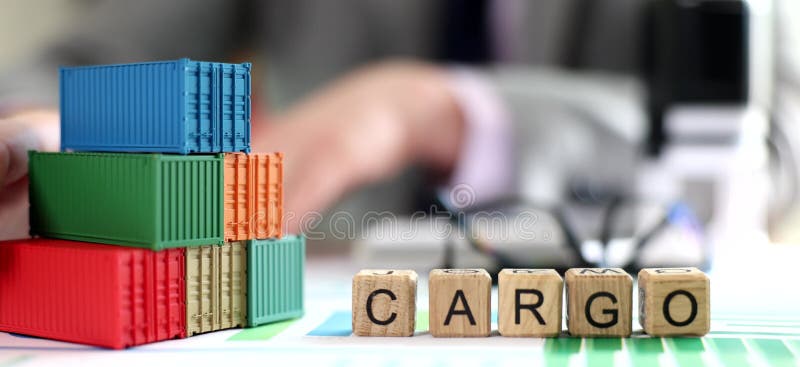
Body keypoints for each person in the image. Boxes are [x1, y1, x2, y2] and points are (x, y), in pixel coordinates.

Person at [1, 0, 798, 243]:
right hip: (315, 310)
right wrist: (38, 126)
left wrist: (428, 110)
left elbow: (776, 144)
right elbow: (93, 60)